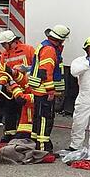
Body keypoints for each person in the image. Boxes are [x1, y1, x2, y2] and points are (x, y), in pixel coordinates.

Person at [27, 24, 70, 153]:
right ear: (60, 39)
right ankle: (42, 147)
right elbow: (45, 71)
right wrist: (50, 90)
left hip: (39, 89)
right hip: (44, 91)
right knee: (45, 118)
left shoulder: (45, 46)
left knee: (38, 118)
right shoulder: (50, 50)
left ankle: (36, 143)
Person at [0, 30, 35, 140]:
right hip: (11, 88)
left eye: (4, 44)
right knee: (10, 111)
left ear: (12, 41)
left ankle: (25, 135)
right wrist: (1, 84)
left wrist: (28, 69)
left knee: (24, 114)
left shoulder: (28, 49)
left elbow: (38, 65)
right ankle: (9, 134)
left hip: (27, 88)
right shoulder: (5, 54)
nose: (3, 47)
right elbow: (2, 72)